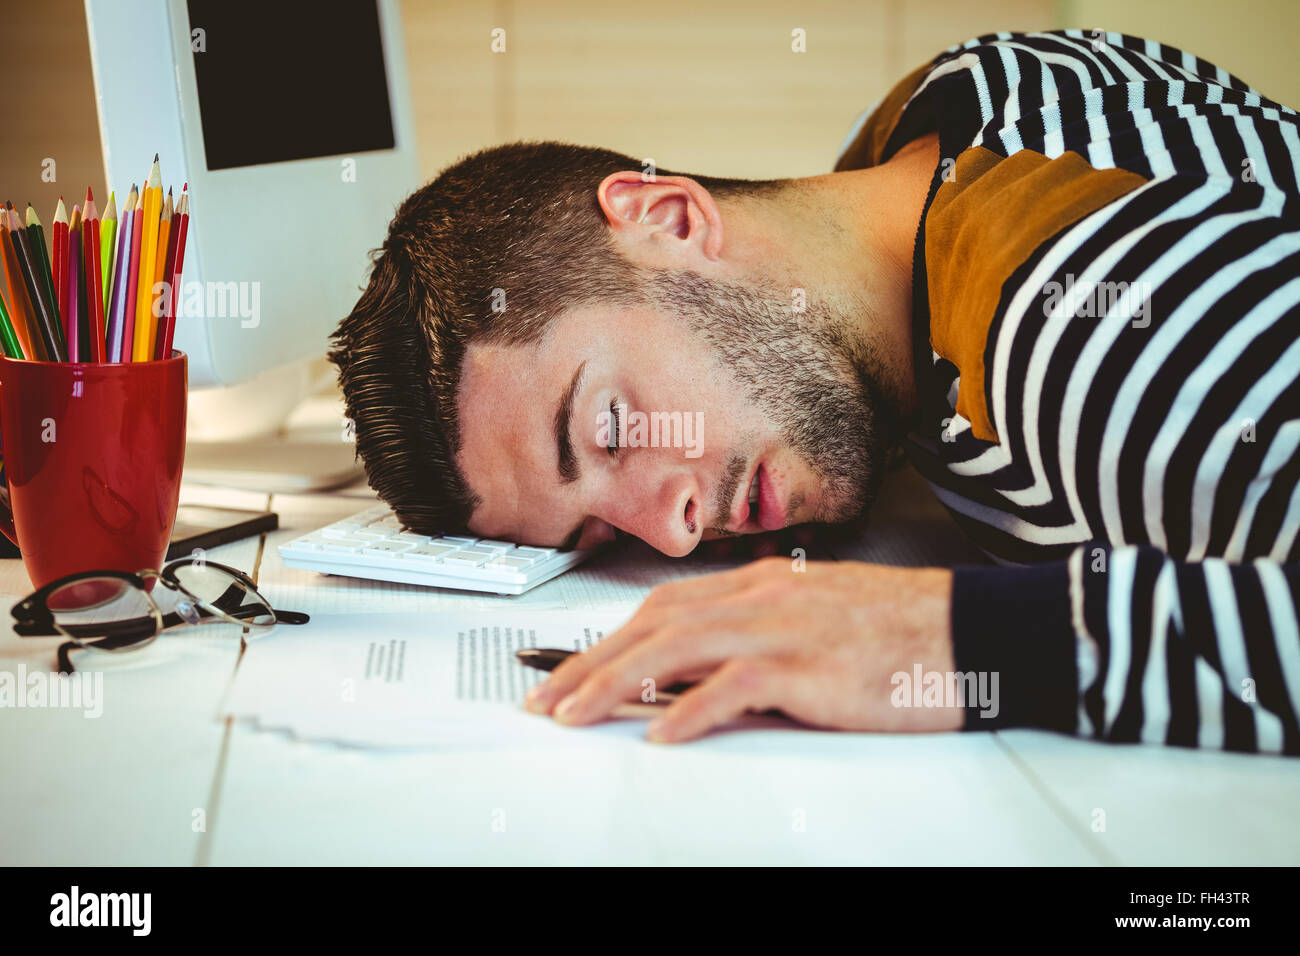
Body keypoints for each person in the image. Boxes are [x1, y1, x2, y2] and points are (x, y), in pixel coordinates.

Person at [330, 30, 1300, 754]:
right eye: (601, 534)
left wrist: (952, 634)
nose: (670, 534)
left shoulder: (1085, 338)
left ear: (669, 218)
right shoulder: (938, 114)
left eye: (613, 427)